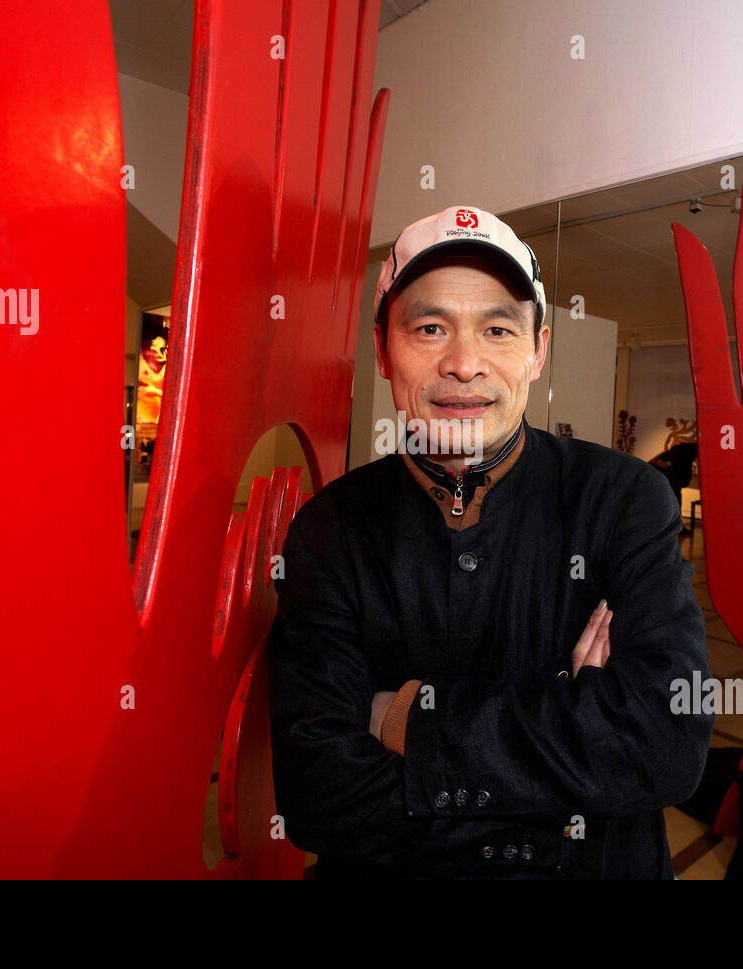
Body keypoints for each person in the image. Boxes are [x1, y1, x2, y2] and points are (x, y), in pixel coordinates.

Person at [267, 205, 712, 879]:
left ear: (537, 352)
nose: (465, 362)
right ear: (385, 347)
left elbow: (666, 743)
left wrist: (406, 720)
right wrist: (568, 757)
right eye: (429, 327)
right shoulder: (330, 529)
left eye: (498, 328)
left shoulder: (624, 500)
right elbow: (318, 795)